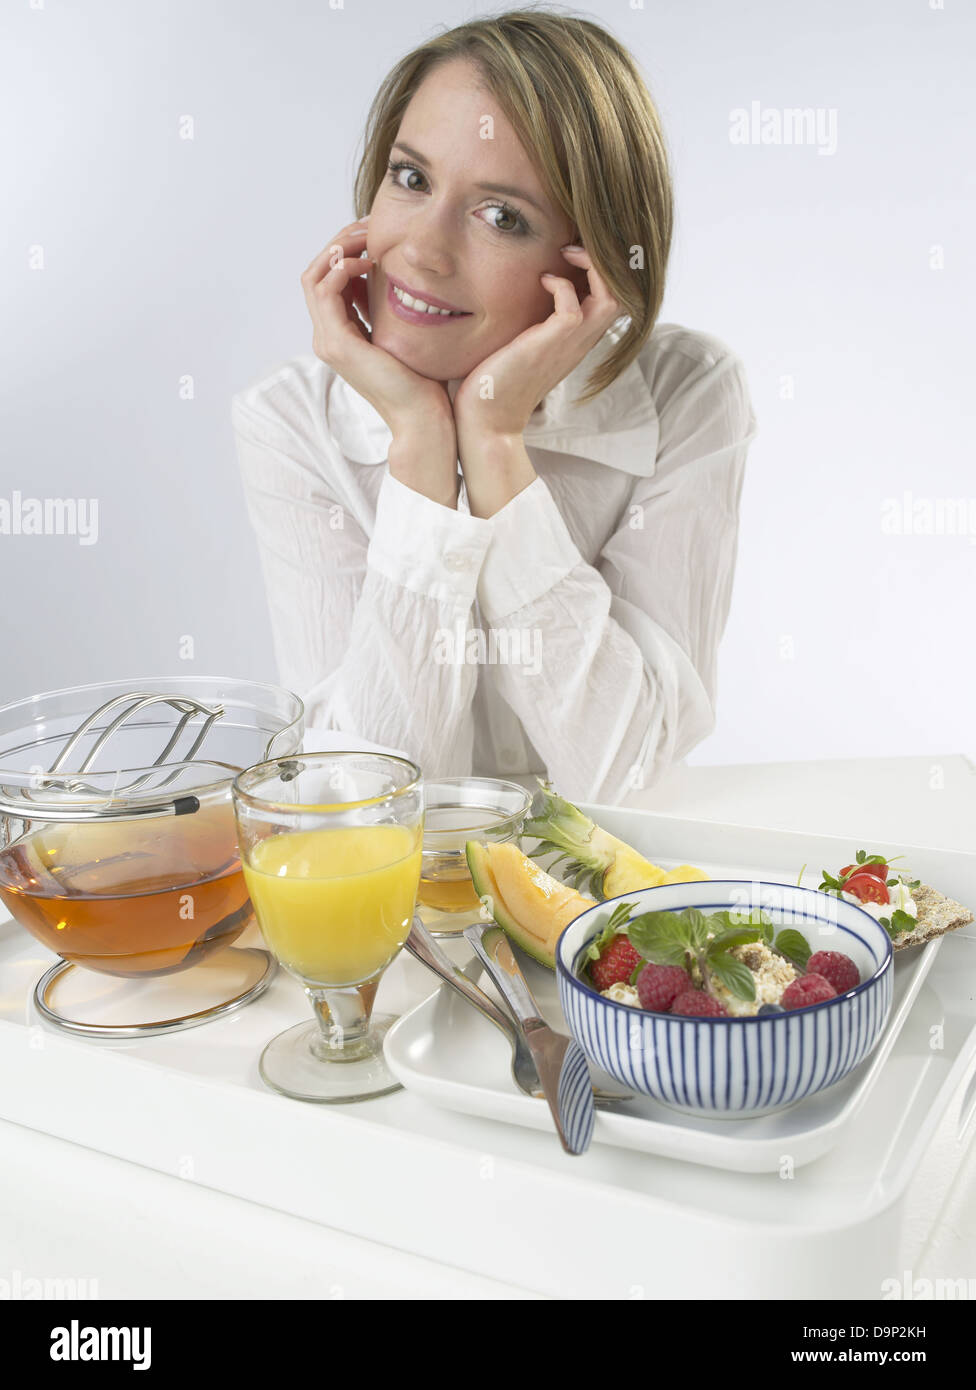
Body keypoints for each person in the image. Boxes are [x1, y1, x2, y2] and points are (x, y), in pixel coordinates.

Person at [232, 7, 757, 806]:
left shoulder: (689, 392)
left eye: (502, 217)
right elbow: (358, 805)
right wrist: (418, 447)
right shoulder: (289, 422)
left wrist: (496, 440)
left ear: (589, 266)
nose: (422, 249)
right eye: (411, 178)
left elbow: (626, 778)